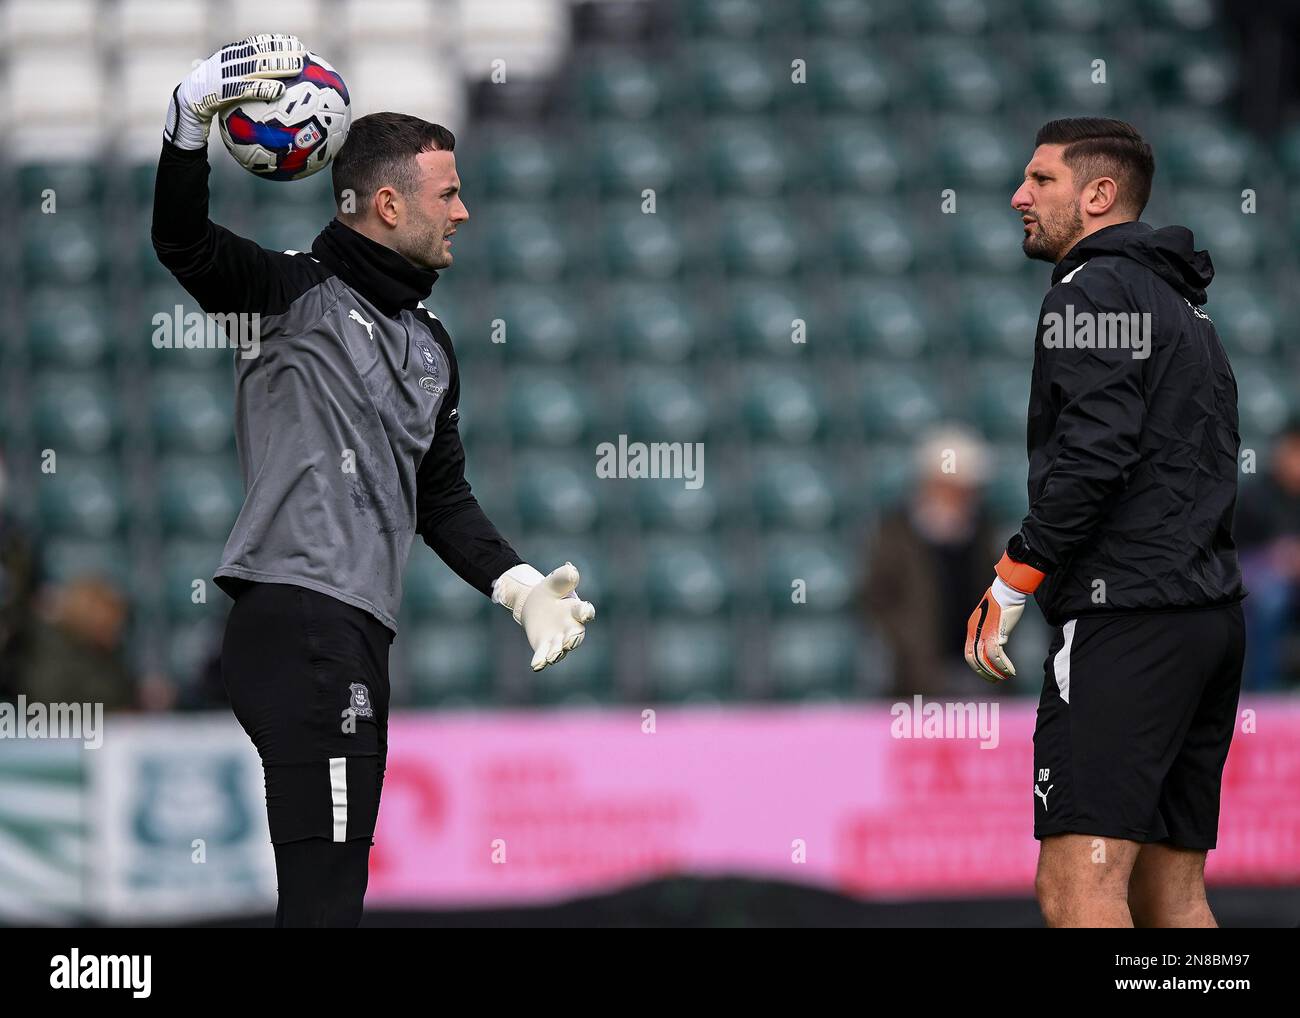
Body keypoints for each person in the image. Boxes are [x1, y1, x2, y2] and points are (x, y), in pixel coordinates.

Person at [152, 35, 596, 927]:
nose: (465, 212)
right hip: (299, 621)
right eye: (449, 194)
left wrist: (517, 589)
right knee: (324, 905)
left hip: (353, 633)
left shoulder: (433, 347)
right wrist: (185, 122)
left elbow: (444, 500)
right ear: (388, 204)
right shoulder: (287, 295)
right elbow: (184, 243)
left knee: (331, 901)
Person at [963, 118, 1246, 928]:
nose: (1019, 196)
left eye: (1040, 181)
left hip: (1129, 619)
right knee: (1173, 897)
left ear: (1098, 194)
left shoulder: (1088, 288)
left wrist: (1017, 573)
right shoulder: (1183, 305)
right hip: (1208, 618)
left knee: (1077, 887)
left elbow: (1097, 452)